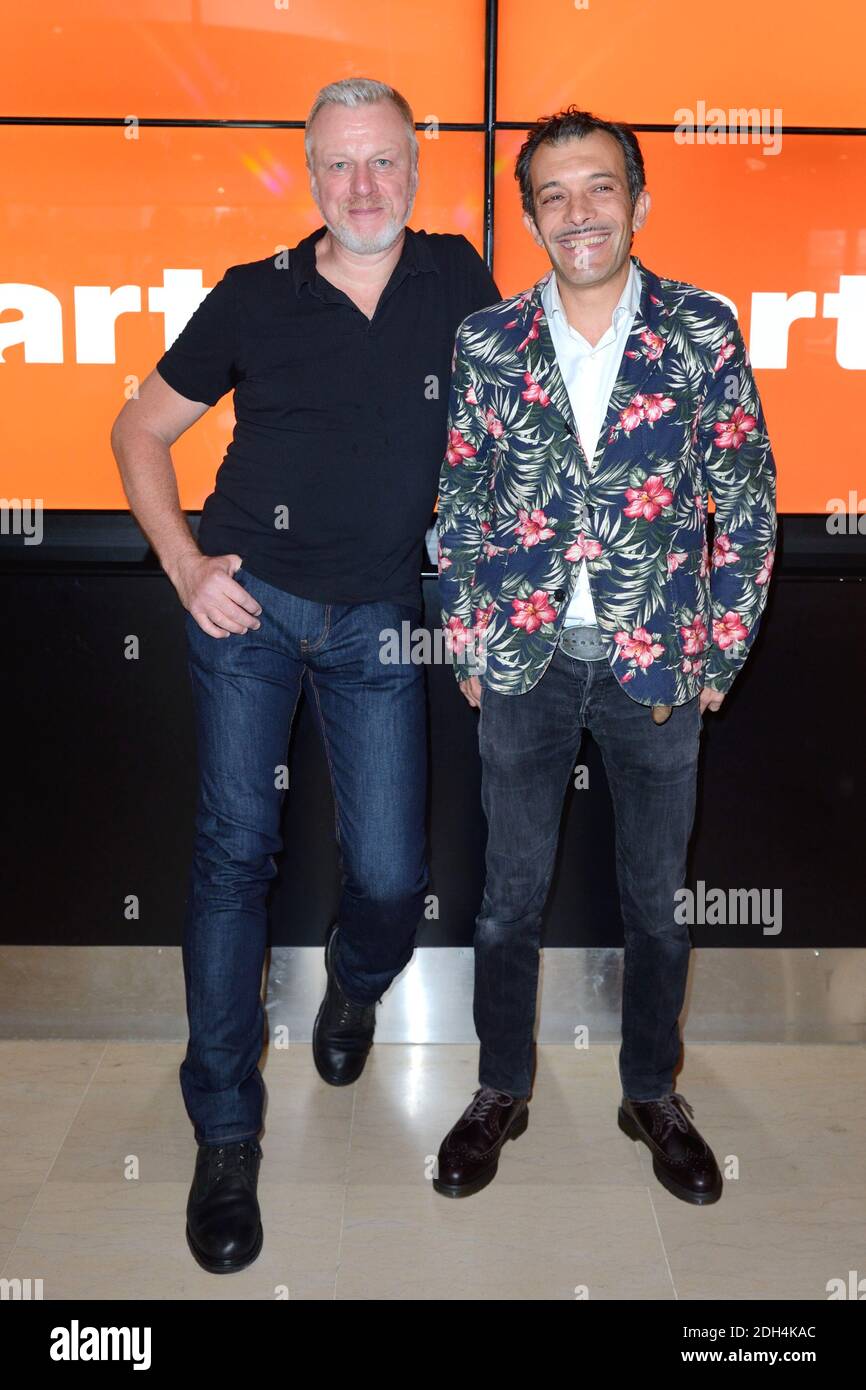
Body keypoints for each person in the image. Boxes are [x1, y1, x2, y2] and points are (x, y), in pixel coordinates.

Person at [110, 76, 500, 1273]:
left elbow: (498, 449)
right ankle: (226, 1129)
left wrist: (486, 600)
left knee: (390, 874)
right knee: (235, 853)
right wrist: (183, 568)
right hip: (250, 610)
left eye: (381, 160)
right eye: (338, 165)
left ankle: (352, 980)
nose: (362, 185)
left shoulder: (457, 279)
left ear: (414, 167)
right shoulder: (252, 295)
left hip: (383, 617)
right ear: (309, 174)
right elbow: (139, 431)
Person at [435, 106, 776, 1205]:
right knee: (504, 902)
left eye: (597, 189)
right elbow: (457, 503)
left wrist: (718, 653)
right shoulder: (487, 340)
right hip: (524, 664)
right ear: (530, 212)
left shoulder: (700, 331)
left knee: (654, 905)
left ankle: (649, 1092)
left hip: (658, 665)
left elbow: (747, 500)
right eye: (552, 195)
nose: (576, 213)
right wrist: (468, 633)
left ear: (636, 201)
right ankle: (499, 1088)